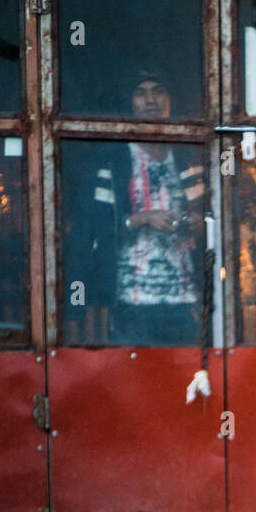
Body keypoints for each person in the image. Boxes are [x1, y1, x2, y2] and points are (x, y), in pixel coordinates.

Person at [87, 69, 205, 346]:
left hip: (184, 297)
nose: (150, 99)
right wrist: (142, 219)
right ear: (130, 103)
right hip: (130, 299)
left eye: (158, 90)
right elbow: (97, 227)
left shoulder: (187, 156)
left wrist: (197, 223)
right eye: (141, 92)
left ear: (170, 100)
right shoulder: (115, 158)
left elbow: (211, 218)